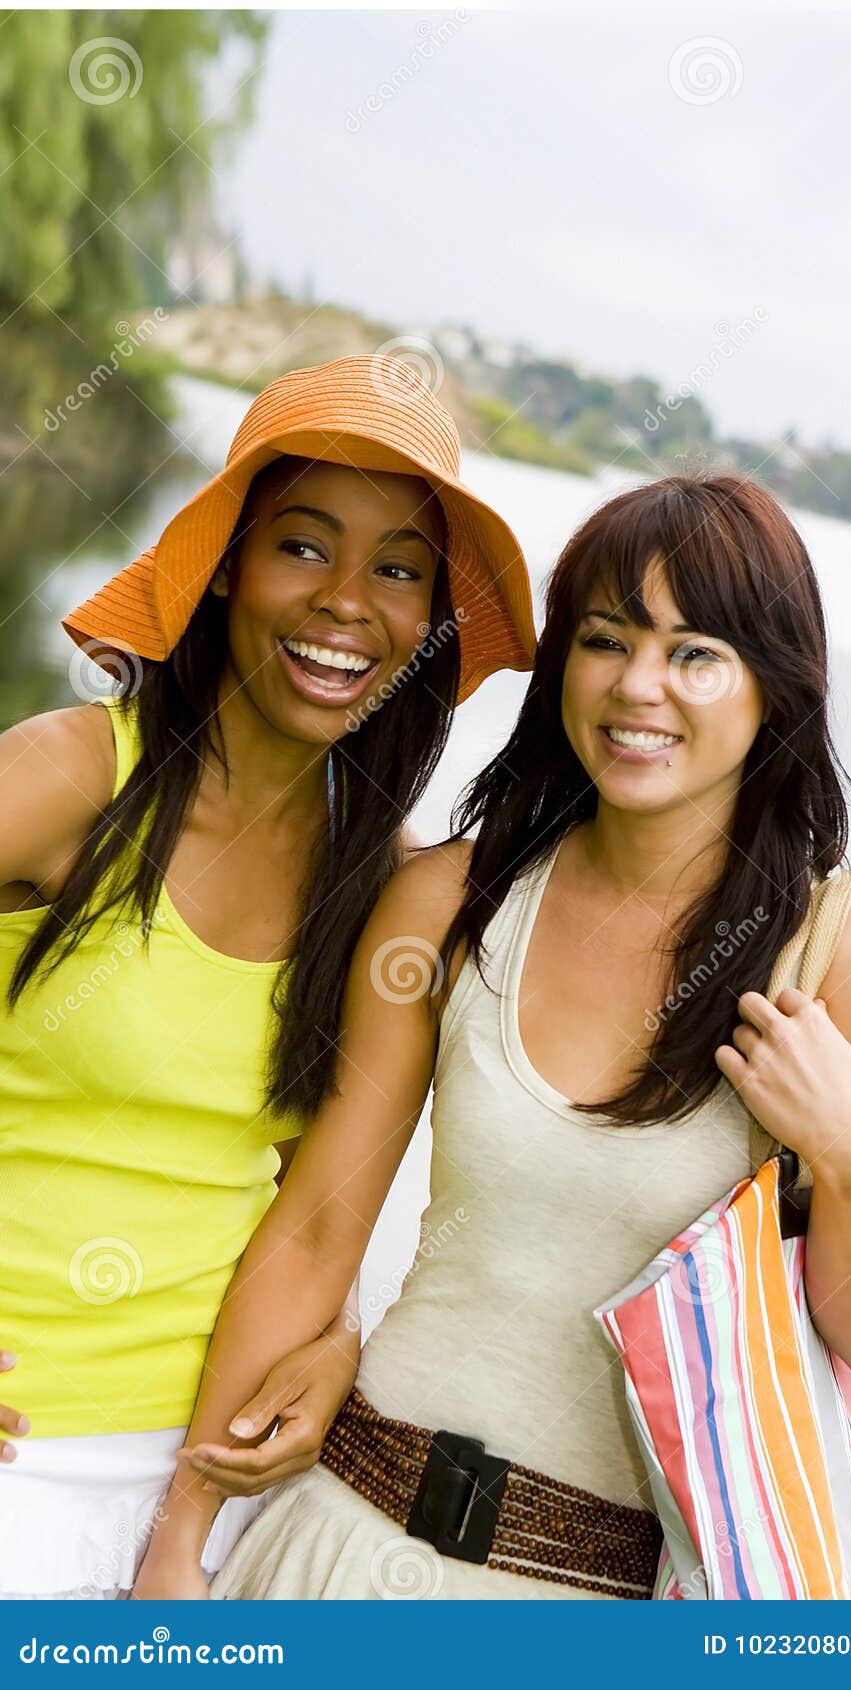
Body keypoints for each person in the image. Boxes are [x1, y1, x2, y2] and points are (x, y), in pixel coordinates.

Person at [132, 473, 851, 1601]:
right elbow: (318, 1225)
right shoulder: (454, 904)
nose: (638, 686)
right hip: (339, 1543)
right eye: (606, 639)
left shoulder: (849, 965)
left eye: (695, 652)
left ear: (775, 685)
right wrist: (184, 1529)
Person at [0, 354, 535, 1599]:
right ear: (228, 561)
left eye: (399, 569)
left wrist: (336, 1335)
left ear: (426, 623)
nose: (349, 602)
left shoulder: (387, 890)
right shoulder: (79, 777)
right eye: (306, 546)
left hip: (222, 1478)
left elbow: (312, 1206)